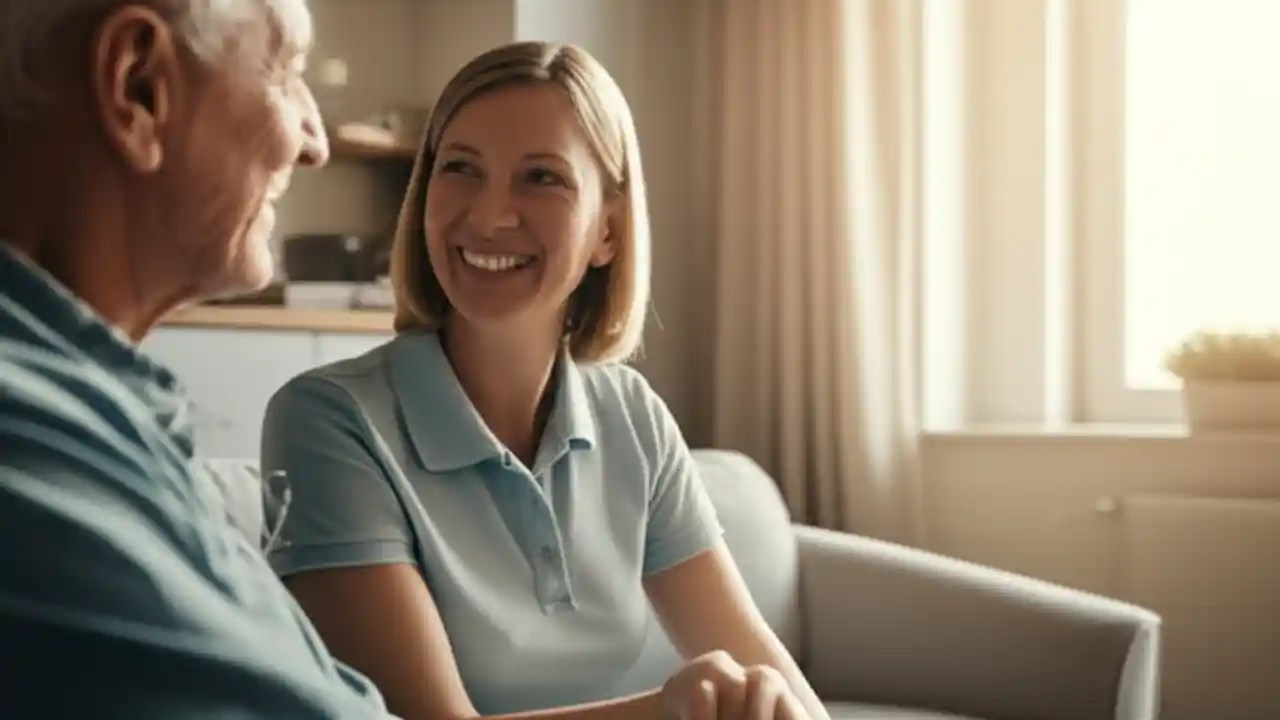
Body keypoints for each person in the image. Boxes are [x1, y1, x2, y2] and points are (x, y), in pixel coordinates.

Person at [261, 41, 831, 720]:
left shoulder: (632, 415)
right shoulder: (328, 420)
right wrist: (670, 711)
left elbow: (765, 667)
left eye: (542, 178)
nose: (489, 215)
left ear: (609, 234)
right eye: (461, 169)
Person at [0, 1, 397, 716]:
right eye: (286, 72)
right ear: (139, 90)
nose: (315, 140)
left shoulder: (96, 402)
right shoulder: (28, 439)